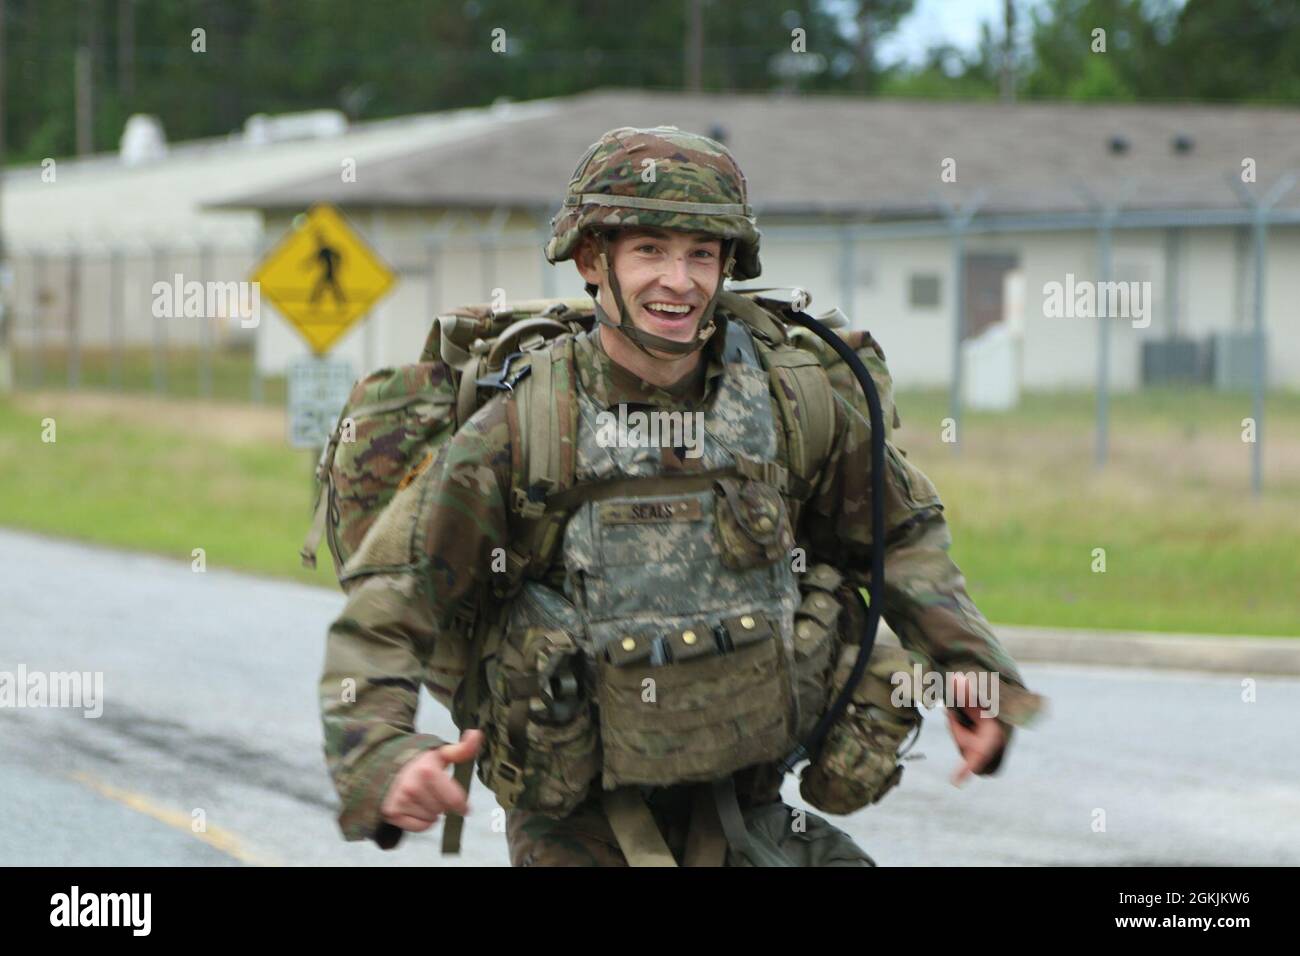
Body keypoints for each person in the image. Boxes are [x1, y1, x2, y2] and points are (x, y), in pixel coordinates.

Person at [319, 125, 1045, 867]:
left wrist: (972, 669)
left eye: (702, 253)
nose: (680, 280)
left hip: (749, 807)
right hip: (578, 822)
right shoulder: (528, 424)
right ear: (592, 260)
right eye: (651, 251)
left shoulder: (793, 400)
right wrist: (380, 752)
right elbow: (389, 603)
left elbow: (900, 534)